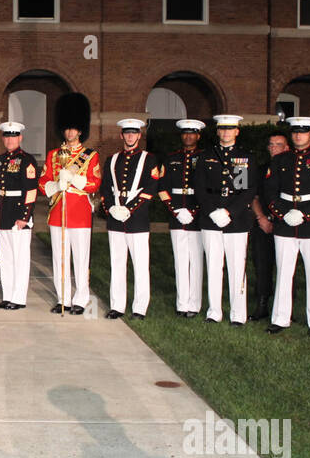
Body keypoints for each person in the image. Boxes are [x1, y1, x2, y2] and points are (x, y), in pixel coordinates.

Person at [264, 116, 310, 335]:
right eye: (295, 132)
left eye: (303, 132)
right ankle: (280, 318)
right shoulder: (279, 160)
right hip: (285, 223)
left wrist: (306, 214)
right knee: (284, 272)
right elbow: (269, 191)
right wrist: (282, 213)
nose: (298, 135)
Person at [39, 93, 101, 315]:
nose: (70, 132)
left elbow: (94, 184)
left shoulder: (90, 156)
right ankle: (63, 298)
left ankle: (81, 299)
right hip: (58, 212)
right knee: (60, 258)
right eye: (67, 128)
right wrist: (55, 186)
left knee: (81, 258)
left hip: (80, 213)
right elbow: (43, 181)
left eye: (74, 128)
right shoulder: (53, 155)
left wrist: (75, 179)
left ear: (81, 130)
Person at [193, 115, 257, 325]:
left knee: (237, 267)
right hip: (210, 218)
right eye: (223, 129)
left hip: (235, 220)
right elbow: (200, 188)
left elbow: (245, 190)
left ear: (237, 132)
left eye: (231, 129)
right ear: (218, 131)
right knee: (213, 265)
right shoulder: (206, 156)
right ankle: (214, 311)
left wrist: (229, 212)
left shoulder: (243, 158)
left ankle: (238, 314)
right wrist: (212, 211)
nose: (226, 133)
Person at [101, 117, 161, 319]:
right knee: (117, 263)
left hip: (137, 220)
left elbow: (150, 188)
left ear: (139, 135)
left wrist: (130, 209)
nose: (130, 136)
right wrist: (111, 208)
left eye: (133, 133)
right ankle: (117, 305)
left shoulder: (149, 159)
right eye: (127, 133)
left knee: (140, 265)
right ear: (121, 135)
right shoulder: (112, 159)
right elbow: (105, 189)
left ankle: (139, 308)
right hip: (116, 219)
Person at [156, 118, 205, 318]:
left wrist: (193, 211)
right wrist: (175, 210)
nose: (188, 136)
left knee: (196, 261)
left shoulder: (206, 158)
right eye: (185, 133)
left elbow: (209, 190)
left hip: (198, 216)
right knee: (180, 261)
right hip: (177, 216)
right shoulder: (171, 158)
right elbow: (162, 188)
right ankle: (181, 303)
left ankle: (194, 304)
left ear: (198, 136)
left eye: (192, 133)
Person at [0, 121, 38, 310]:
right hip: (3, 213)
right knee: (6, 258)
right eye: (7, 136)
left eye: (13, 136)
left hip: (18, 215)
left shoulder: (27, 159)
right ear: (3, 138)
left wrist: (25, 216)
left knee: (19, 258)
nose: (10, 139)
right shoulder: (1, 159)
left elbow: (31, 190)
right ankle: (8, 295)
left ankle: (19, 298)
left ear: (20, 138)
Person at [248, 131, 288, 321]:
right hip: (263, 225)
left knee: (286, 268)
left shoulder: (293, 169)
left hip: (286, 226)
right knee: (262, 265)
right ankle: (262, 304)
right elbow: (253, 197)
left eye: (278, 144)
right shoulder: (261, 170)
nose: (273, 148)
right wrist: (261, 219)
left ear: (287, 148)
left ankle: (285, 308)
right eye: (271, 145)